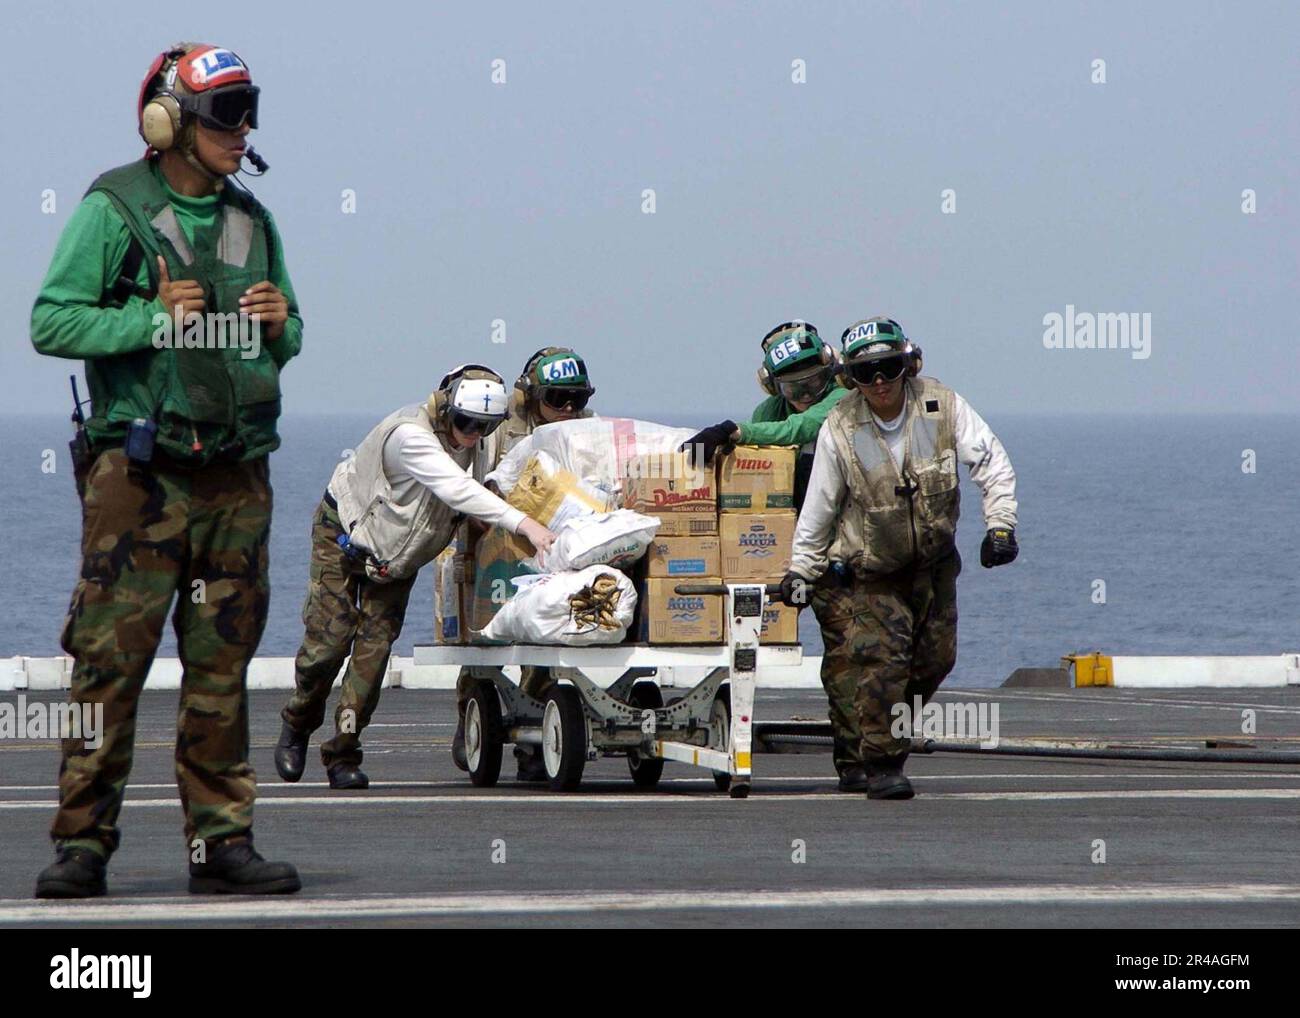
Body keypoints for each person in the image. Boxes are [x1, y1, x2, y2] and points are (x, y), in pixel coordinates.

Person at [31, 44, 302, 897]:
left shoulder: (252, 220)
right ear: (170, 123)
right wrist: (148, 319)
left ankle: (221, 846)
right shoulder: (115, 210)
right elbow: (51, 321)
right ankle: (82, 848)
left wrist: (278, 321)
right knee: (107, 662)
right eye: (226, 113)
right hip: (141, 478)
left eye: (247, 109)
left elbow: (288, 339)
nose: (242, 128)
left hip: (235, 475)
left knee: (223, 663)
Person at [274, 365, 557, 789]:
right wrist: (525, 526)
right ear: (446, 409)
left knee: (374, 653)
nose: (474, 434)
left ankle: (343, 752)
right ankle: (298, 722)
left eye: (485, 426)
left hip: (399, 558)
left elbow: (494, 483)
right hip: (346, 537)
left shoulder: (477, 443)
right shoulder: (410, 436)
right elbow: (457, 490)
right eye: (465, 422)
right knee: (328, 644)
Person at [778, 317, 1019, 799]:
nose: (880, 382)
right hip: (873, 573)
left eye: (888, 367)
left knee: (935, 661)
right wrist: (801, 570)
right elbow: (819, 507)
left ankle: (879, 739)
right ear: (852, 379)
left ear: (907, 364)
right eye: (867, 373)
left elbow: (990, 461)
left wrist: (1001, 525)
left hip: (934, 566)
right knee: (882, 664)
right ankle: (882, 763)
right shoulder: (840, 428)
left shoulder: (942, 406)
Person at [451, 347, 597, 781]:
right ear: (533, 396)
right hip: (494, 539)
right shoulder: (499, 426)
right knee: (484, 641)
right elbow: (471, 482)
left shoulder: (585, 428)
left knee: (545, 638)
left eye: (577, 399)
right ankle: (471, 714)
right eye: (557, 399)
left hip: (554, 546)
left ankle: (536, 731)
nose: (568, 410)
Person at [681, 321, 849, 509]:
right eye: (793, 389)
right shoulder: (768, 411)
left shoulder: (842, 397)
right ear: (773, 386)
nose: (806, 395)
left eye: (814, 382)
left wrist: (735, 431)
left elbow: (802, 427)